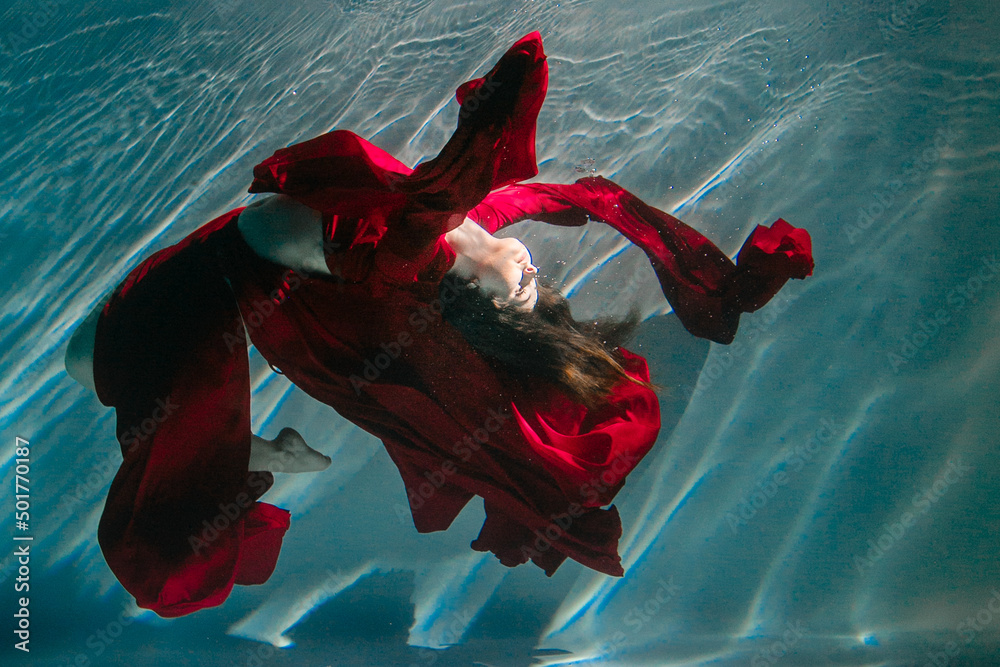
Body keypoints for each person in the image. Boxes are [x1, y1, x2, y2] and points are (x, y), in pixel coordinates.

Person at [64, 32, 813, 617]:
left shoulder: (413, 271)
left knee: (110, 360)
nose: (532, 275)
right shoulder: (427, 266)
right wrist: (473, 233)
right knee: (110, 360)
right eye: (534, 281)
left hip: (249, 294)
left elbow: (289, 229)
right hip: (251, 296)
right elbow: (563, 199)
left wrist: (466, 228)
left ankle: (238, 454)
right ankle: (238, 454)